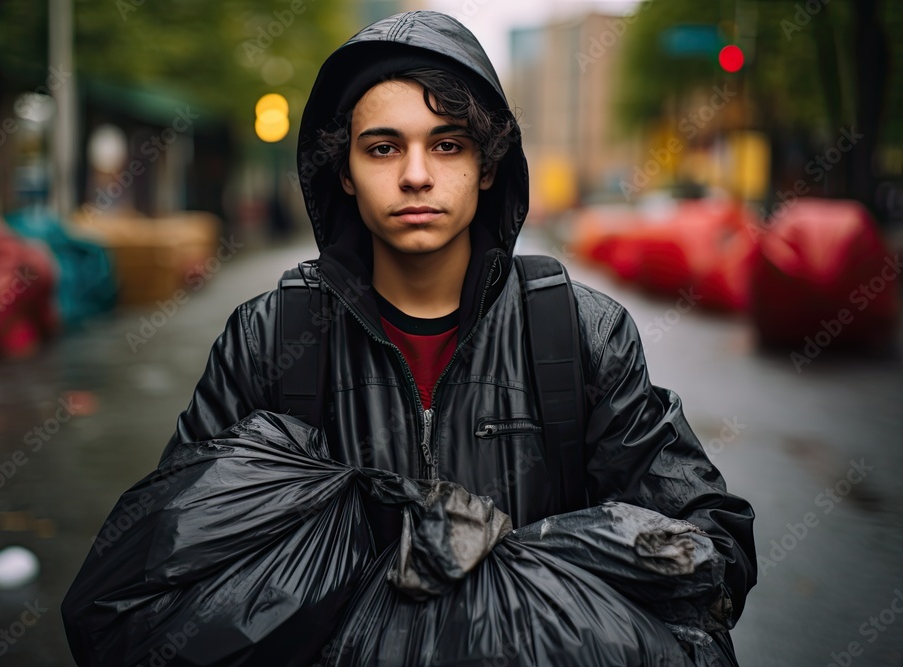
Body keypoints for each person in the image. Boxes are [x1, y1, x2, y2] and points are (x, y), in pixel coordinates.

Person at [161, 9, 756, 664]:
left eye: (447, 144)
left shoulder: (579, 334)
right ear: (345, 171)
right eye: (383, 147)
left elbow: (709, 543)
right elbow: (176, 556)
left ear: (489, 165)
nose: (416, 174)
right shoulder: (270, 339)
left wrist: (527, 575)